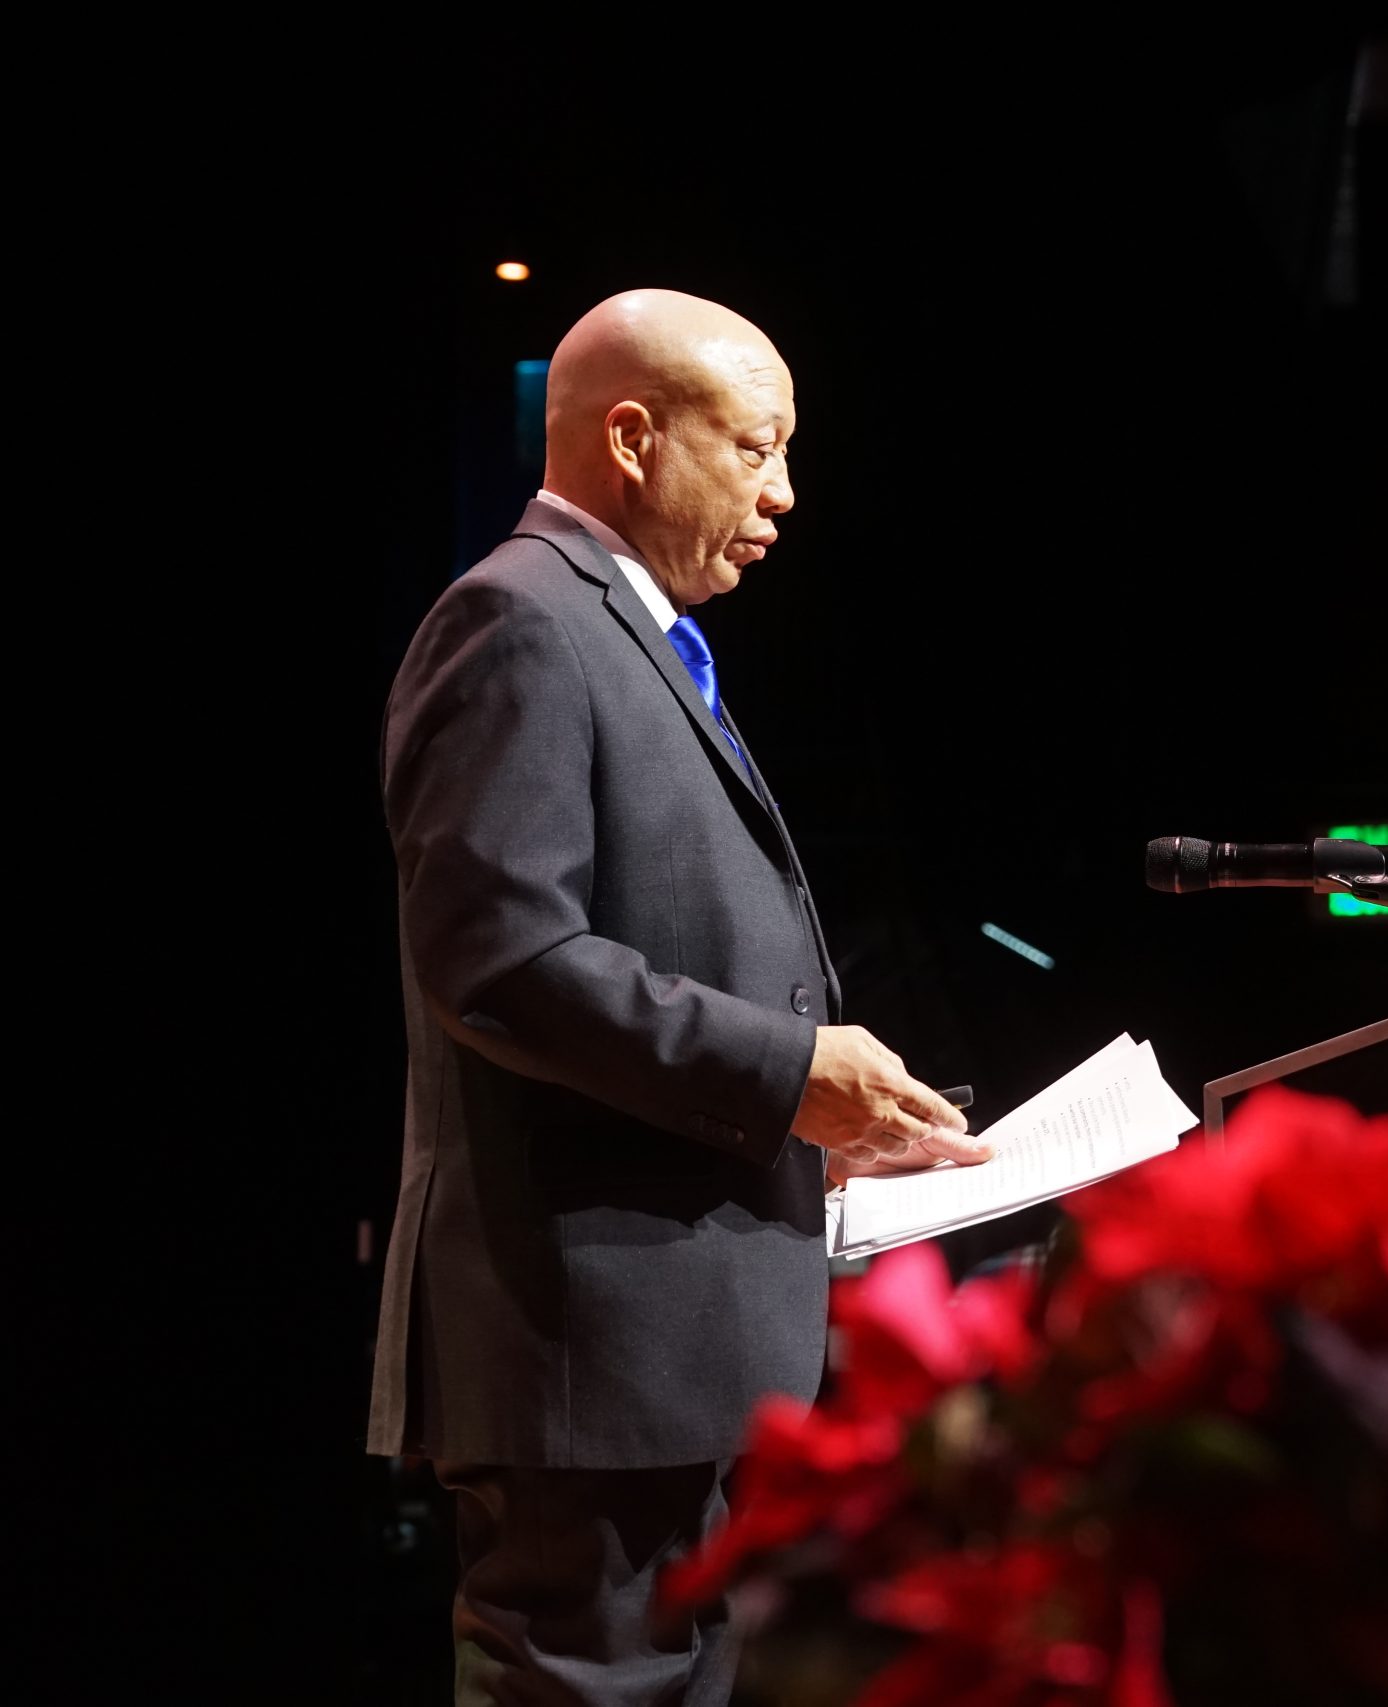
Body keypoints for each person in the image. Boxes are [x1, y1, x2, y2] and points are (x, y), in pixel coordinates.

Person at [367, 288, 991, 1706]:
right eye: (757, 448)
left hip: (667, 1347)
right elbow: (503, 964)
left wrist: (820, 1127)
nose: (785, 493)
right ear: (634, 437)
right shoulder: (517, 621)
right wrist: (786, 1074)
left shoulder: (629, 636)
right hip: (586, 1350)